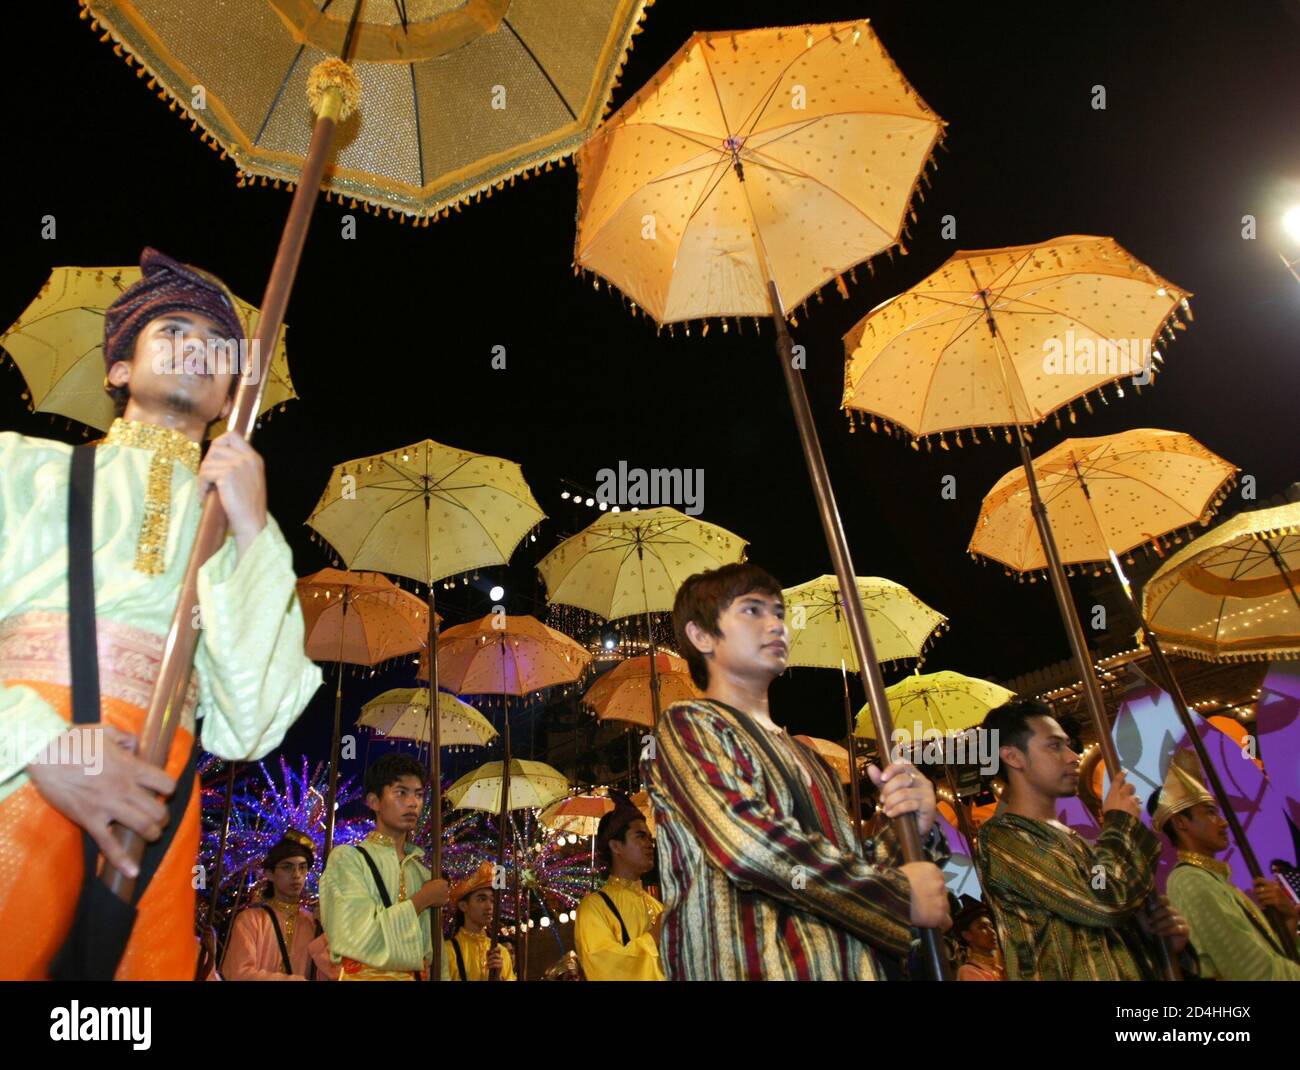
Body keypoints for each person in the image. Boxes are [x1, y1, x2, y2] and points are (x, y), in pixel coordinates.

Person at [0, 248, 322, 980]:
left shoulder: (237, 527)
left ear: (229, 397)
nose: (197, 350)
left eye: (218, 347)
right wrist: (42, 744)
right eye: (172, 331)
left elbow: (250, 724)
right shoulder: (20, 468)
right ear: (119, 369)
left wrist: (252, 531)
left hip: (157, 805)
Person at [642, 563, 951, 981]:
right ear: (701, 635)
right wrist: (893, 898)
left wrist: (911, 827)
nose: (776, 625)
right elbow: (749, 847)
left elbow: (848, 864)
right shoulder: (688, 725)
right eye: (752, 611)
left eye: (779, 613)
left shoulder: (810, 759)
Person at [974, 699, 1191, 980]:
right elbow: (1103, 904)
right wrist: (1120, 823)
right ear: (1013, 757)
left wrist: (1152, 940)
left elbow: (1100, 901)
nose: (1072, 756)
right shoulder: (1004, 838)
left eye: (1068, 744)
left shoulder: (1071, 838)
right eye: (1054, 746)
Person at [1153, 762, 1300, 980]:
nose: (1223, 823)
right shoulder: (1190, 880)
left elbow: (1269, 958)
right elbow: (1253, 972)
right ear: (1181, 822)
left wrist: (1288, 920)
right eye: (1210, 813)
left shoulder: (1213, 878)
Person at [318, 753, 450, 980]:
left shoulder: (423, 872)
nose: (413, 803)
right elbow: (356, 937)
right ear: (374, 801)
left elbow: (434, 954)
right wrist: (421, 900)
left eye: (418, 794)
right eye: (401, 793)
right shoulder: (348, 860)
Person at [222, 830, 338, 981]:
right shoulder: (251, 920)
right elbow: (238, 974)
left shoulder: (312, 923)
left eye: (302, 867)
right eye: (287, 867)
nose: (296, 875)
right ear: (269, 874)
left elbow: (334, 975)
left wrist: (327, 932)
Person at [574, 793, 665, 981]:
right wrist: (654, 937)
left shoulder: (657, 906)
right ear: (616, 846)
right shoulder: (594, 908)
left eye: (650, 838)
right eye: (640, 836)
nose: (650, 844)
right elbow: (605, 970)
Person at [444, 861, 514, 981]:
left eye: (492, 900)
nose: (489, 906)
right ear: (463, 906)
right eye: (482, 899)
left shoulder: (501, 953)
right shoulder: (447, 952)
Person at [953, 900, 1005, 981]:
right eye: (983, 927)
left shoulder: (1002, 968)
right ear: (967, 935)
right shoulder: (968, 971)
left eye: (991, 926)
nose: (992, 932)